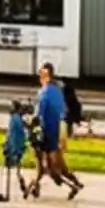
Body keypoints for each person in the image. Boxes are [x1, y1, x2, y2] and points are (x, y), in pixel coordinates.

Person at [36, 62, 84, 200]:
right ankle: (73, 182)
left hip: (49, 131)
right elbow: (63, 110)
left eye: (41, 75)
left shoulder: (45, 92)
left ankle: (36, 186)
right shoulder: (57, 90)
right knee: (56, 164)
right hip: (59, 128)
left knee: (49, 165)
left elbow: (40, 112)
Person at [2, 99, 30, 199]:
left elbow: (12, 135)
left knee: (14, 168)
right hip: (16, 147)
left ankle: (11, 192)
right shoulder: (17, 118)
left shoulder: (15, 119)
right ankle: (23, 185)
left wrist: (8, 146)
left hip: (13, 147)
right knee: (17, 169)